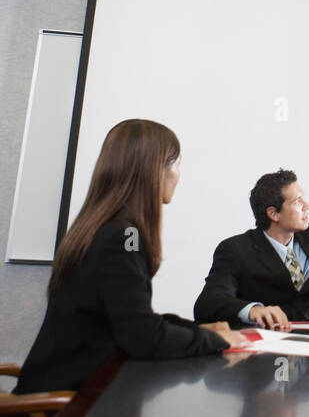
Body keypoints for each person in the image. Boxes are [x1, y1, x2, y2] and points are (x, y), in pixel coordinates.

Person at [15, 120, 244, 397]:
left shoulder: (103, 227)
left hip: (67, 391)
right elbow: (142, 338)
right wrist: (213, 339)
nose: (178, 175)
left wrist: (197, 329)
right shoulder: (121, 238)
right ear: (154, 171)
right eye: (176, 164)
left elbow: (131, 319)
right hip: (62, 412)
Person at [194, 170, 309, 328]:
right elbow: (208, 303)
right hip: (268, 354)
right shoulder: (236, 250)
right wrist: (253, 310)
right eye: (297, 202)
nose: (307, 206)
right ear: (274, 214)